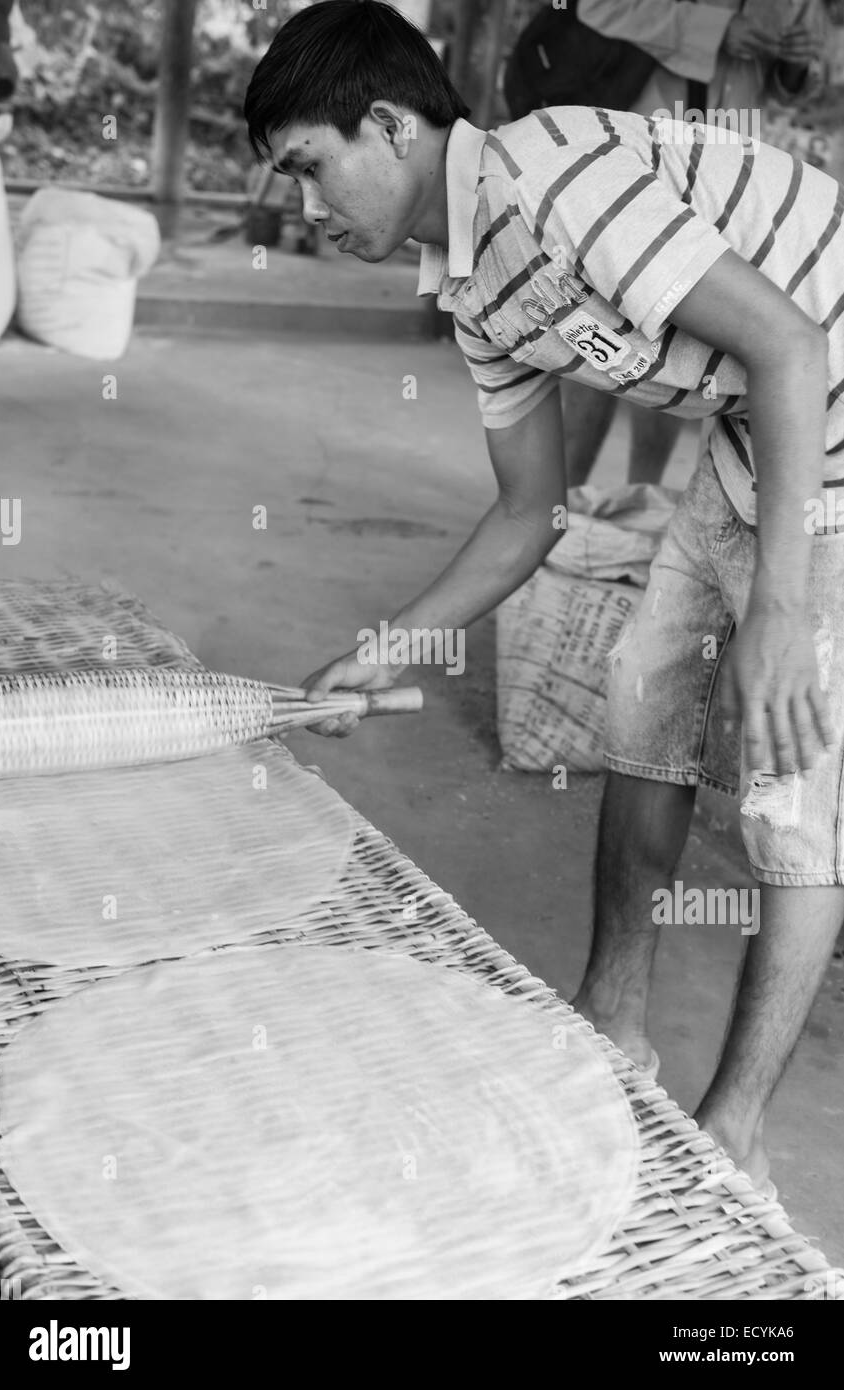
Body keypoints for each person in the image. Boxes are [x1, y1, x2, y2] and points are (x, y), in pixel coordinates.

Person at [244, 0, 844, 1196]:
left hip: (820, 400)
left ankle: (735, 1132)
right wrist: (386, 649)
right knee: (641, 705)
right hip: (753, 432)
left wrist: (779, 612)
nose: (305, 210)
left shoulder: (548, 178)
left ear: (387, 124)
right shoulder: (471, 284)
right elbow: (528, 509)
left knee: (792, 780)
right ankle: (609, 1023)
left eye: (310, 169)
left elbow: (784, 344)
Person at [528, 0, 826, 486]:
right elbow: (595, 7)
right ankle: (558, 519)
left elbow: (796, 82)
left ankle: (639, 508)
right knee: (602, 333)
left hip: (722, 172)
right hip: (640, 158)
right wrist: (716, 30)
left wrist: (794, 65)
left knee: (682, 351)